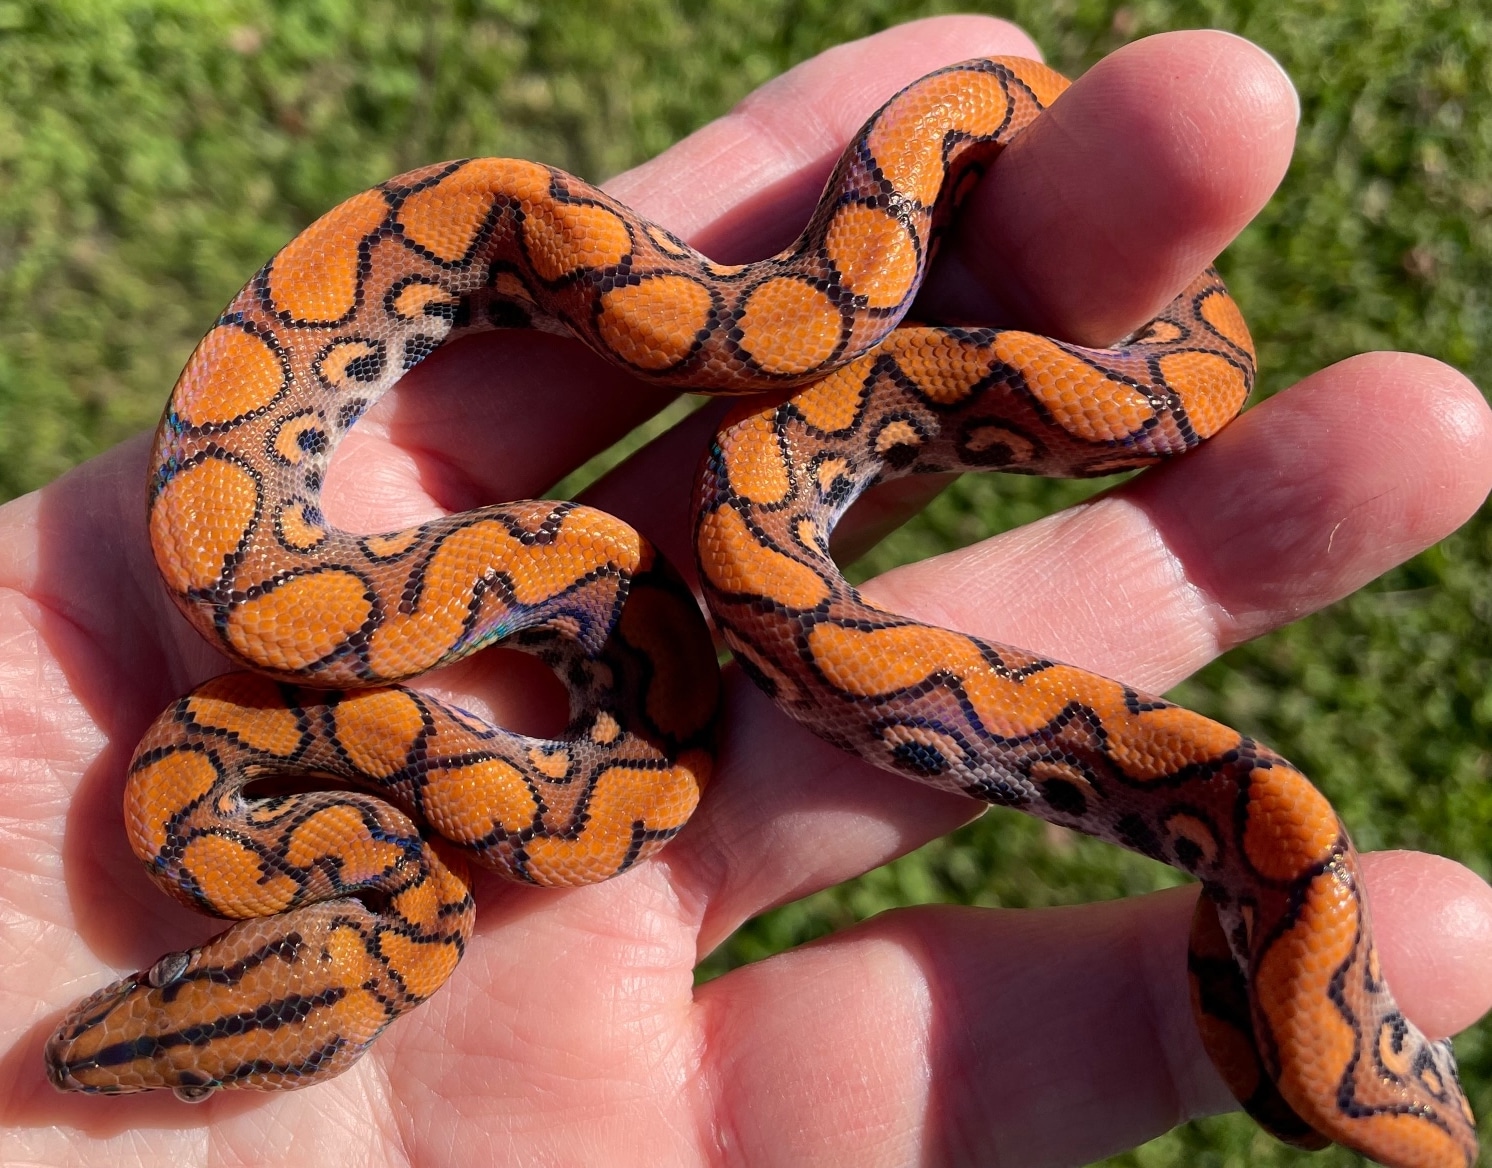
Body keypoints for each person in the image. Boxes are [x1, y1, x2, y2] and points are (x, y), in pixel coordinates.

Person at [5, 15, 1491, 1166]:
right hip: (598, 630)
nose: (139, 1056)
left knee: (1033, 348)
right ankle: (1275, 928)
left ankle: (1279, 941)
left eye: (185, 1049)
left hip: (711, 487)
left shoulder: (233, 776)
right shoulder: (279, 777)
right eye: (195, 1060)